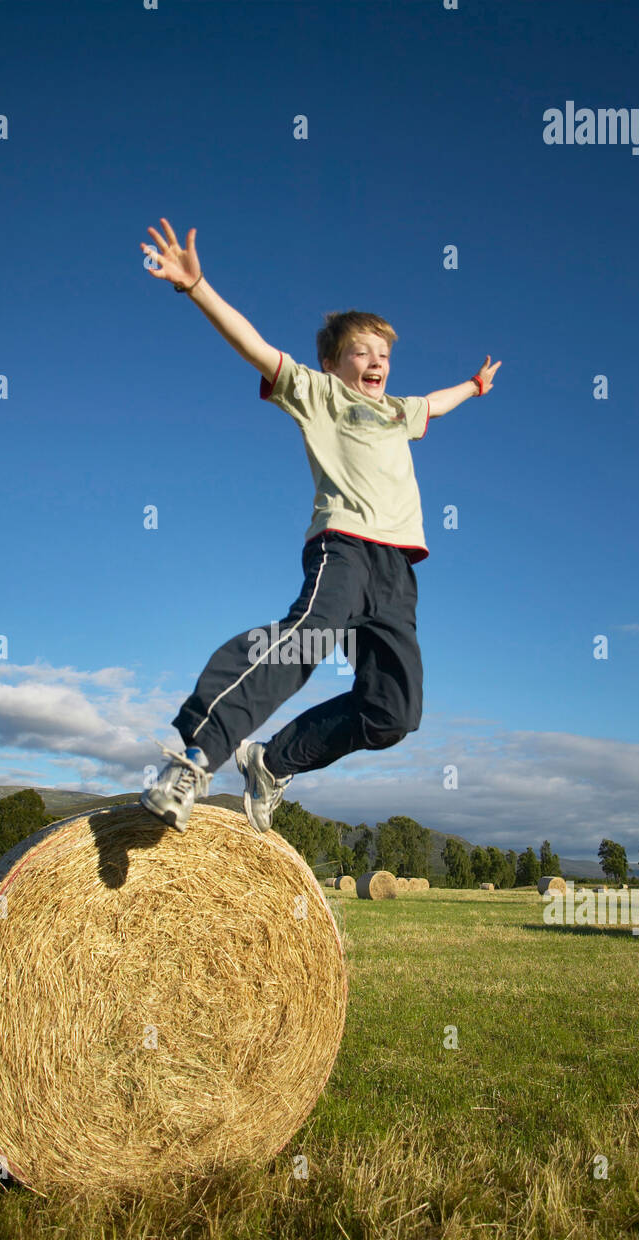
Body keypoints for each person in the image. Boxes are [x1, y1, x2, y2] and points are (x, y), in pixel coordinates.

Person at [138, 217, 501, 833]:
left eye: (384, 354)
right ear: (332, 362)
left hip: (398, 570)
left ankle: (273, 762)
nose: (376, 361)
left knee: (394, 712)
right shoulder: (319, 394)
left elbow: (434, 402)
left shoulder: (397, 412)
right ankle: (194, 755)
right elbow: (254, 345)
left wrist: (473, 385)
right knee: (310, 638)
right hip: (345, 547)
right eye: (361, 351)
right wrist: (197, 288)